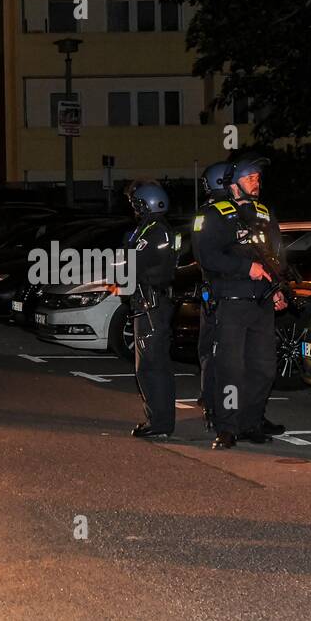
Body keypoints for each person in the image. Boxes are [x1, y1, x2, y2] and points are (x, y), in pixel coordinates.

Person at [193, 156, 287, 449]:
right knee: (230, 368)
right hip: (231, 301)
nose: (256, 183)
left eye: (258, 178)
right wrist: (245, 269)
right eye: (249, 178)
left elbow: (276, 255)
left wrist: (277, 288)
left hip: (261, 302)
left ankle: (251, 421)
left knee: (263, 367)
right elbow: (206, 256)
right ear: (233, 185)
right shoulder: (212, 215)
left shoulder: (263, 212)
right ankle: (227, 427)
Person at [125, 181, 178, 438]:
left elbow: (131, 263)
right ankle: (161, 420)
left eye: (136, 203)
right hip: (152, 303)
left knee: (150, 366)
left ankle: (159, 422)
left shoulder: (153, 231)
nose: (133, 208)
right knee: (155, 365)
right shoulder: (156, 228)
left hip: (151, 306)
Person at [193, 162, 233, 430]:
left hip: (216, 294)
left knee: (209, 351)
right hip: (231, 294)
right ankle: (219, 405)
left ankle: (211, 402)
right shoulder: (236, 213)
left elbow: (202, 255)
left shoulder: (206, 214)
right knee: (223, 353)